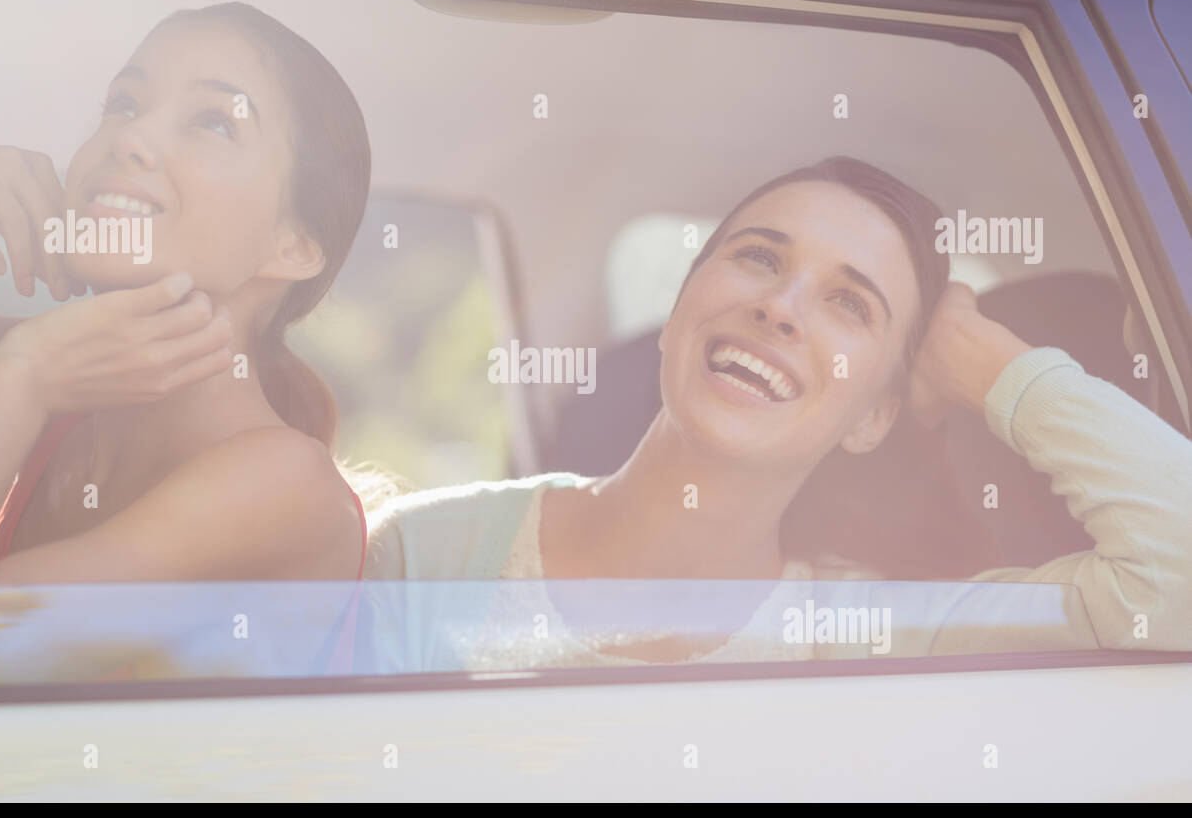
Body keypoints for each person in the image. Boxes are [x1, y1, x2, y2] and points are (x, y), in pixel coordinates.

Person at [360, 156, 1192, 669]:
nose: (782, 307)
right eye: (759, 257)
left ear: (874, 418)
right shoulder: (421, 557)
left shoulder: (879, 635)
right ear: (680, 311)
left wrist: (995, 367)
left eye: (850, 304)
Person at [0, 2, 371, 585]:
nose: (131, 136)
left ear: (294, 245)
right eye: (124, 104)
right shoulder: (63, 379)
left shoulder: (290, 486)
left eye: (214, 121)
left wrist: (25, 374)